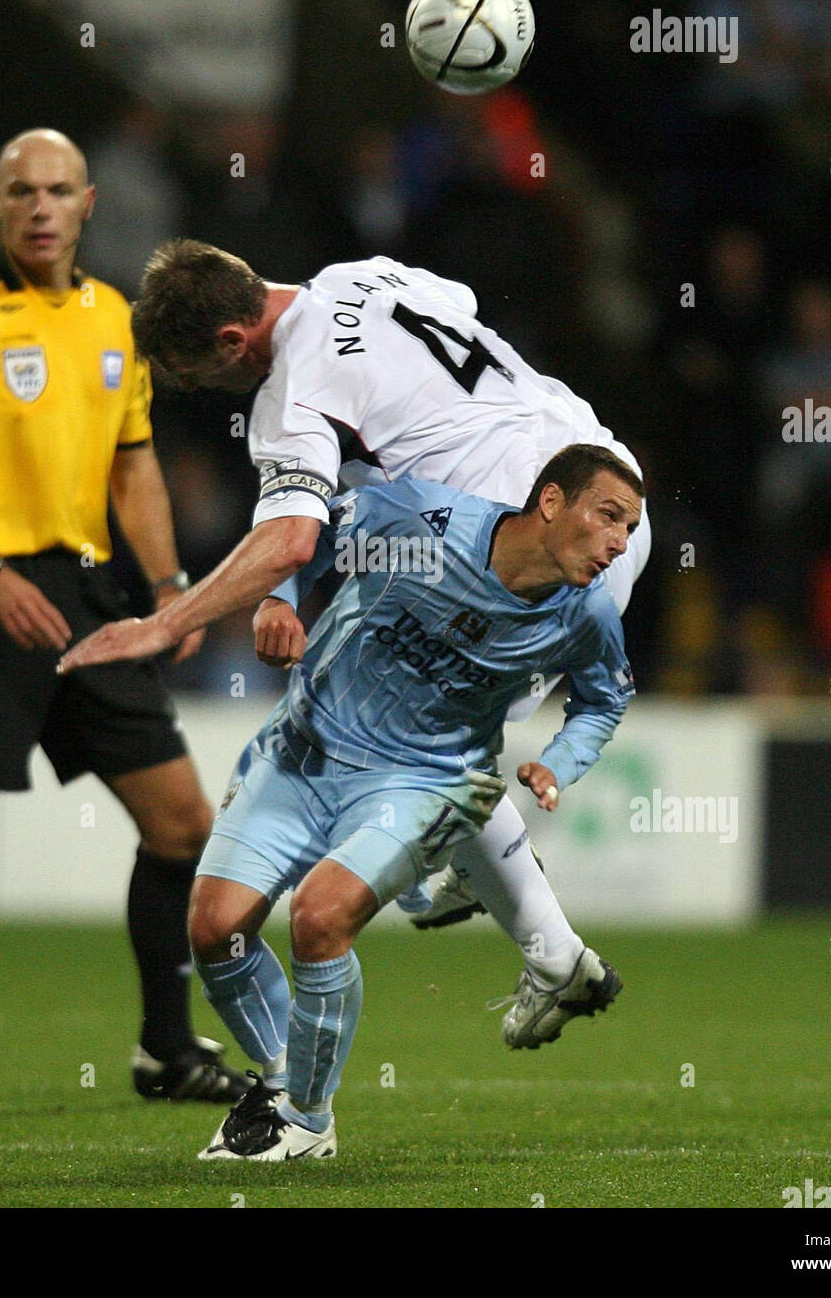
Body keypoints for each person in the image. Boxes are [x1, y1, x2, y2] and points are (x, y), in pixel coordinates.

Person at [58, 243, 652, 1036]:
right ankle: (519, 919)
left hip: (522, 546)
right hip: (602, 492)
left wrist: (164, 622)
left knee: (400, 735)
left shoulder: (291, 397)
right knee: (438, 742)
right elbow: (455, 315)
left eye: (196, 376)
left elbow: (295, 537)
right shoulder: (361, 275)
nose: (200, 392)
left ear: (233, 341)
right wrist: (280, 589)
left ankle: (528, 933)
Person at [0, 130, 247, 1108]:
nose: (40, 206)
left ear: (88, 203)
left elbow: (135, 461)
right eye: (23, 190)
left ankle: (166, 1047)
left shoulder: (115, 316)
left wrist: (169, 588)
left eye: (58, 190)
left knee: (181, 822)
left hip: (89, 602)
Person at [190, 444, 642, 1160]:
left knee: (319, 914)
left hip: (425, 780)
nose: (620, 543)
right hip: (306, 748)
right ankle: (278, 1084)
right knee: (215, 930)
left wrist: (556, 764)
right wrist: (276, 598)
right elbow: (304, 535)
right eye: (609, 517)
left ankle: (306, 1121)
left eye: (630, 528)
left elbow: (602, 700)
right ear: (551, 502)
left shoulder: (585, 613)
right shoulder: (421, 521)